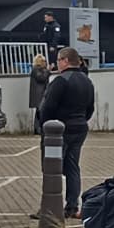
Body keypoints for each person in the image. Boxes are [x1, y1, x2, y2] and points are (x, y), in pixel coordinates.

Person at [37, 46, 95, 216]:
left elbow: (47, 107)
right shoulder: (87, 81)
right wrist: (81, 120)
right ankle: (72, 206)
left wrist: (45, 128)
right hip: (80, 127)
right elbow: (90, 108)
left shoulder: (60, 81)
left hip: (59, 130)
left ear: (65, 61)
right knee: (72, 167)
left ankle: (49, 207)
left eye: (58, 60)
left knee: (51, 168)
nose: (57, 64)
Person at [27, 54, 51, 134]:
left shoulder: (41, 70)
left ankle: (38, 128)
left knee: (39, 111)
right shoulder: (35, 70)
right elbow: (41, 78)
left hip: (41, 93)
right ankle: (38, 129)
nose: (45, 63)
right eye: (43, 61)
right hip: (38, 95)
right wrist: (48, 71)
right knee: (40, 111)